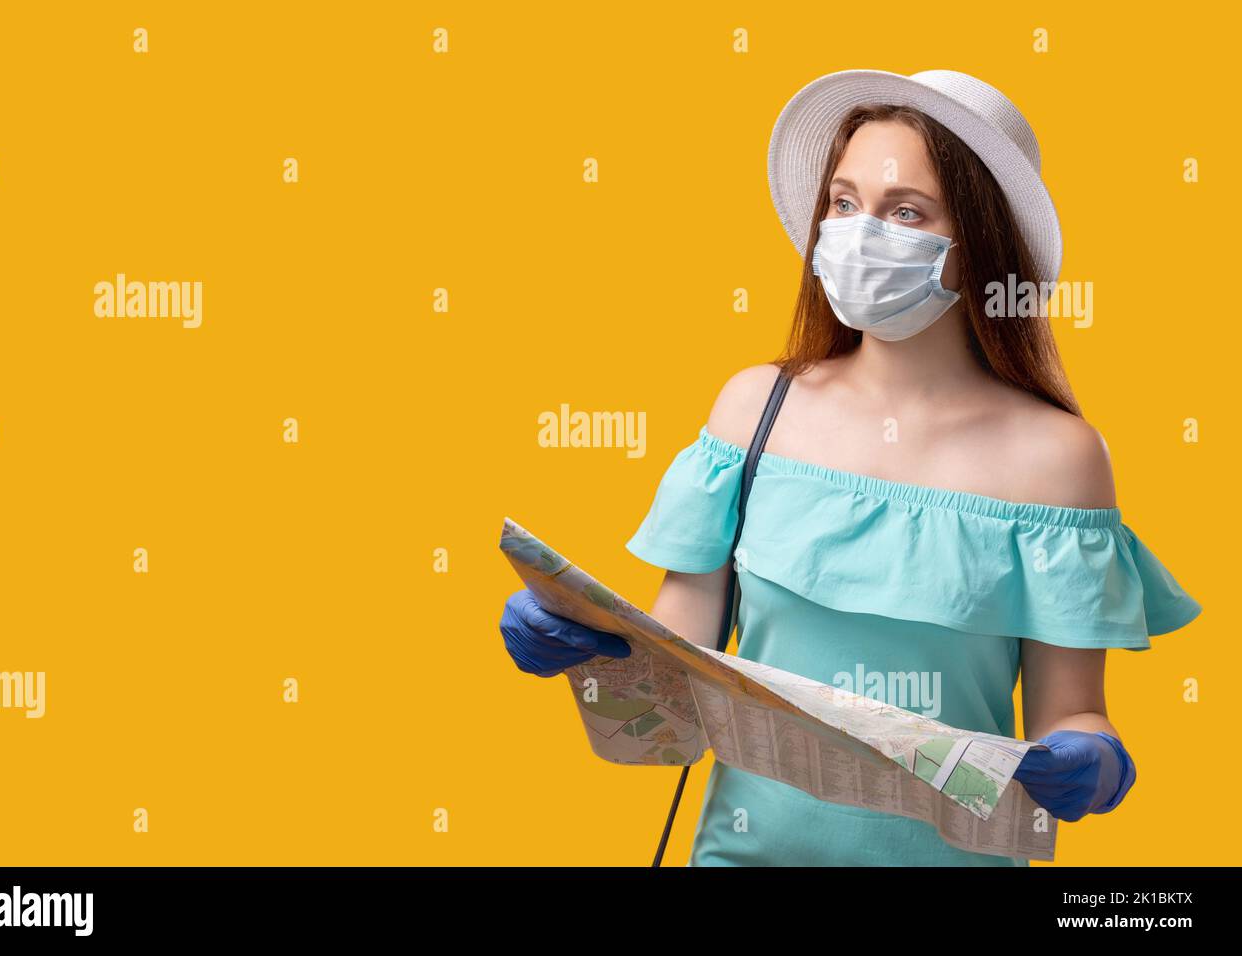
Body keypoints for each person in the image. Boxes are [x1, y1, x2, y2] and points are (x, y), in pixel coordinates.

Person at [498, 69, 1202, 865]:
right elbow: (679, 667)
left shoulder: (1059, 460)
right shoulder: (753, 409)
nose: (859, 232)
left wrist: (1092, 760)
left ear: (978, 244)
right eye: (842, 202)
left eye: (905, 212)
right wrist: (585, 644)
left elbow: (1072, 714)